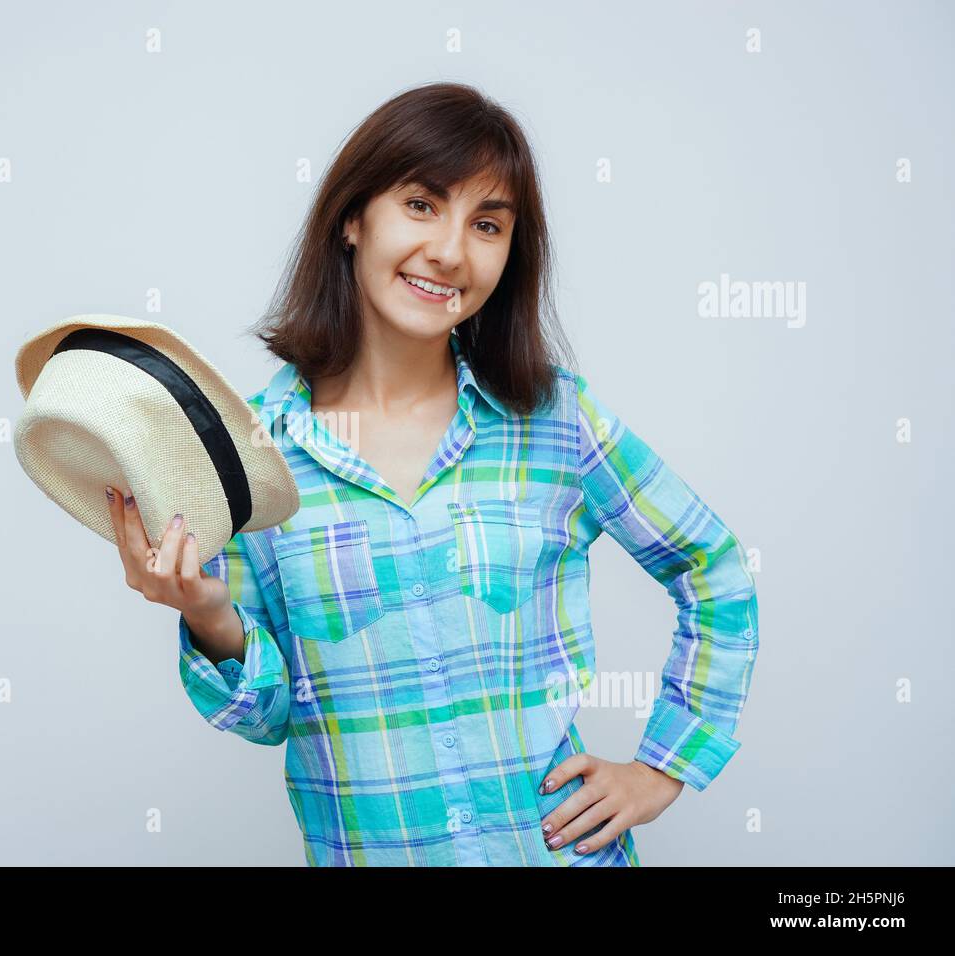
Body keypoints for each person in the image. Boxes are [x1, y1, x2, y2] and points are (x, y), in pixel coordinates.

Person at [103, 81, 759, 866]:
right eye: (421, 204)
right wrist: (210, 616)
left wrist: (663, 767)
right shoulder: (252, 452)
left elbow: (715, 568)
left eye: (487, 224)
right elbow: (267, 715)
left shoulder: (554, 421)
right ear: (353, 218)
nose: (451, 250)